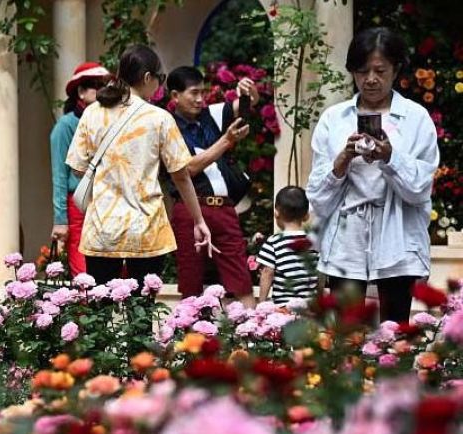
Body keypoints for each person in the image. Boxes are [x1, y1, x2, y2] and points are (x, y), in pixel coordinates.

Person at [306, 27, 439, 323]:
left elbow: (420, 188)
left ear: (396, 70)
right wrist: (342, 160)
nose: (370, 79)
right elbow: (317, 196)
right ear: (352, 72)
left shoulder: (416, 119)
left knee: (395, 330)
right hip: (347, 238)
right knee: (346, 333)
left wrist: (390, 158)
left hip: (399, 235)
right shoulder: (334, 119)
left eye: (380, 70)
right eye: (362, 71)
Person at [65, 44, 214, 284]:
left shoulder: (92, 113)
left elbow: (76, 168)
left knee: (100, 311)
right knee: (142, 312)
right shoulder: (159, 118)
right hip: (146, 230)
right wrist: (199, 220)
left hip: (103, 228)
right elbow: (181, 175)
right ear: (147, 77)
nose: (160, 85)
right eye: (160, 78)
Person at [165, 66, 258, 305]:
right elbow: (187, 169)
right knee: (191, 282)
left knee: (241, 279)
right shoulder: (166, 126)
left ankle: (255, 338)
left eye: (202, 93)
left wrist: (249, 92)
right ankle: (191, 339)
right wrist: (226, 141)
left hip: (225, 208)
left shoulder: (212, 114)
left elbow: (245, 106)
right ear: (175, 96)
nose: (200, 99)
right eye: (193, 93)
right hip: (190, 208)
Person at [50, 62, 111, 276]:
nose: (102, 90)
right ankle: (86, 310)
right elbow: (59, 175)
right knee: (84, 272)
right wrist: (60, 221)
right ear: (81, 92)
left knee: (113, 271)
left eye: (105, 85)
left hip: (109, 203)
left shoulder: (112, 122)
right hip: (80, 203)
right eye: (95, 85)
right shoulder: (66, 126)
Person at [257, 186, 319, 305]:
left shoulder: (274, 242)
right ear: (306, 215)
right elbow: (320, 273)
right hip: (310, 308)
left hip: (283, 308)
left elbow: (267, 273)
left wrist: (261, 303)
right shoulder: (314, 242)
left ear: (276, 213)